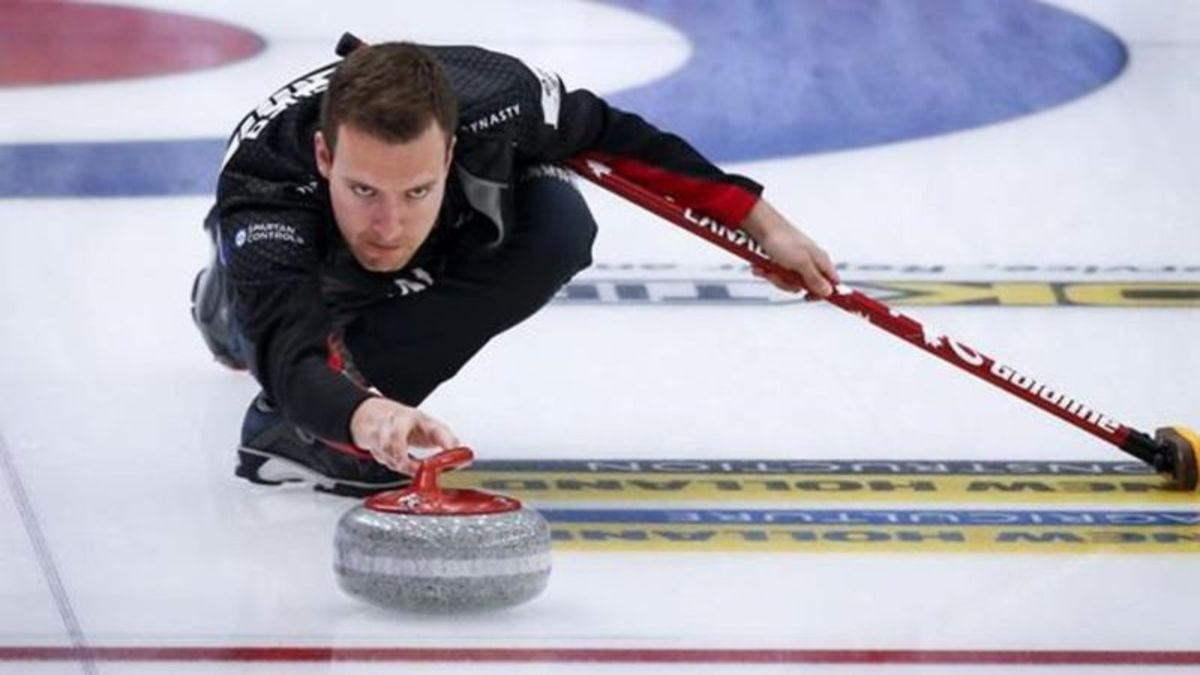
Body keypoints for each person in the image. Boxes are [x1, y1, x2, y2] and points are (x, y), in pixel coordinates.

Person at [191, 33, 839, 497]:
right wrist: (366, 415)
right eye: (365, 189)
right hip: (303, 261)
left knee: (558, 221)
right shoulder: (264, 187)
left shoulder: (503, 100)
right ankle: (245, 341)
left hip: (444, 210)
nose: (388, 225)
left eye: (414, 188)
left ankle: (356, 359)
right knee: (282, 330)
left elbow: (616, 135)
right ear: (325, 155)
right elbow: (294, 360)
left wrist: (761, 223)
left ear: (448, 151)